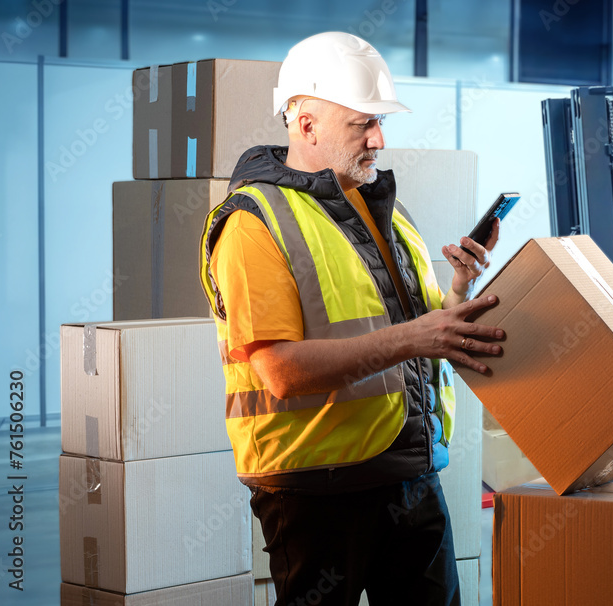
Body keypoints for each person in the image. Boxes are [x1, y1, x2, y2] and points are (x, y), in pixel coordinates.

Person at [198, 31, 503, 606]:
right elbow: (280, 373)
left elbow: (419, 327)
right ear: (306, 124)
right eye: (362, 124)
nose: (379, 139)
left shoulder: (383, 208)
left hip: (409, 472)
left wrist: (460, 285)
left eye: (379, 122)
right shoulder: (251, 223)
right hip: (316, 491)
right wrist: (416, 337)